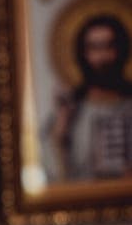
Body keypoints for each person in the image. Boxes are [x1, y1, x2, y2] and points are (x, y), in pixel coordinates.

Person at [42, 14, 132, 183]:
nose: (102, 57)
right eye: (94, 48)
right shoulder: (69, 111)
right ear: (83, 54)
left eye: (109, 46)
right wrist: (60, 133)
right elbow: (53, 173)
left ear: (122, 50)